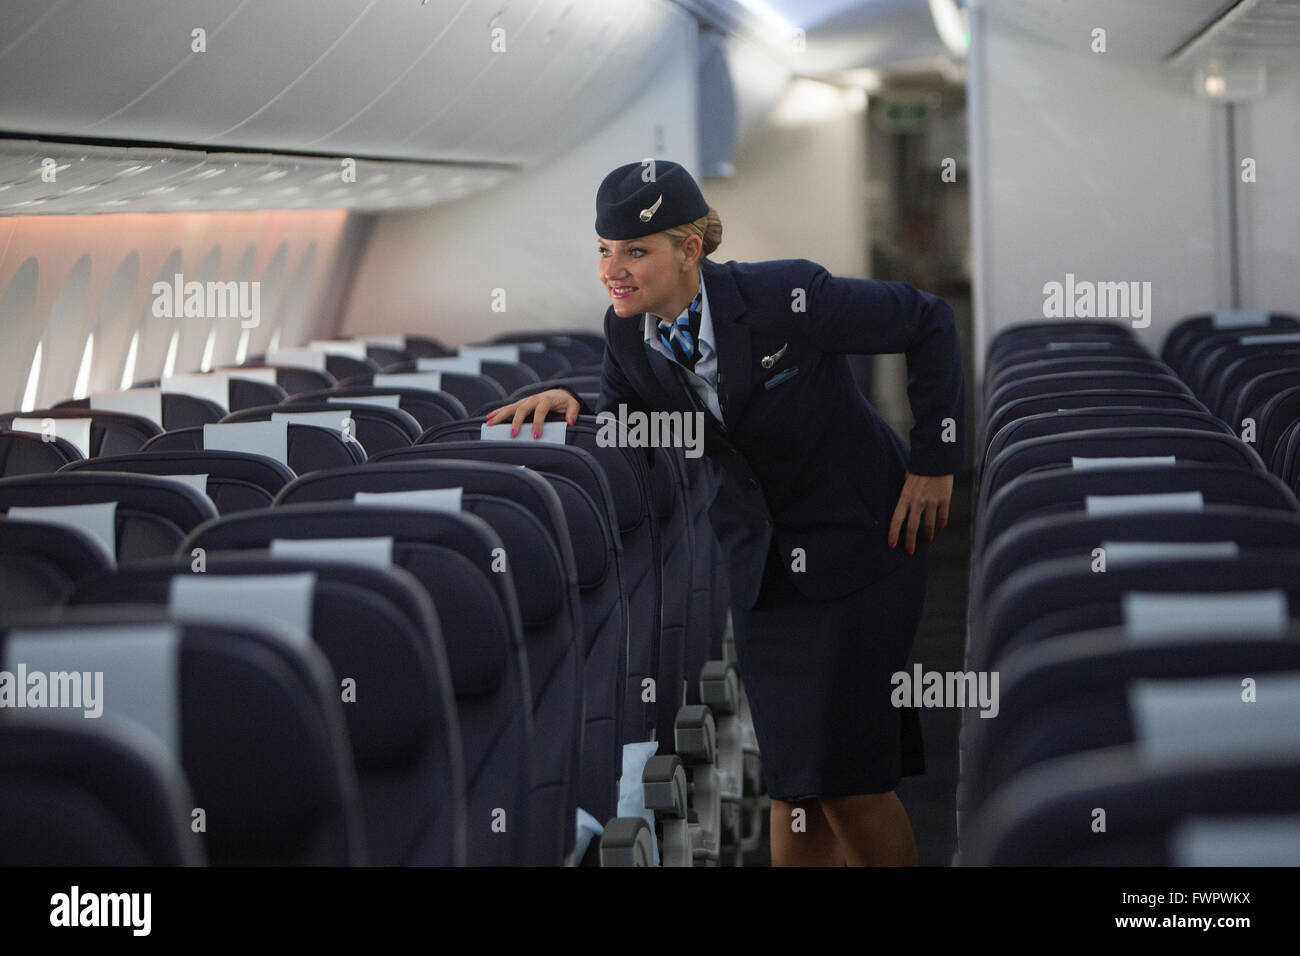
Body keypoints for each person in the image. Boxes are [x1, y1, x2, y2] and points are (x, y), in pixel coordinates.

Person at [485, 158, 964, 866]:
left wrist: (935, 459)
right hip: (763, 569)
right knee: (795, 789)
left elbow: (929, 321)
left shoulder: (786, 295)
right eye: (604, 251)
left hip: (863, 544)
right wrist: (577, 405)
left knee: (852, 786)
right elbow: (634, 421)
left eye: (635, 251)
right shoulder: (627, 335)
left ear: (690, 250)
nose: (613, 270)